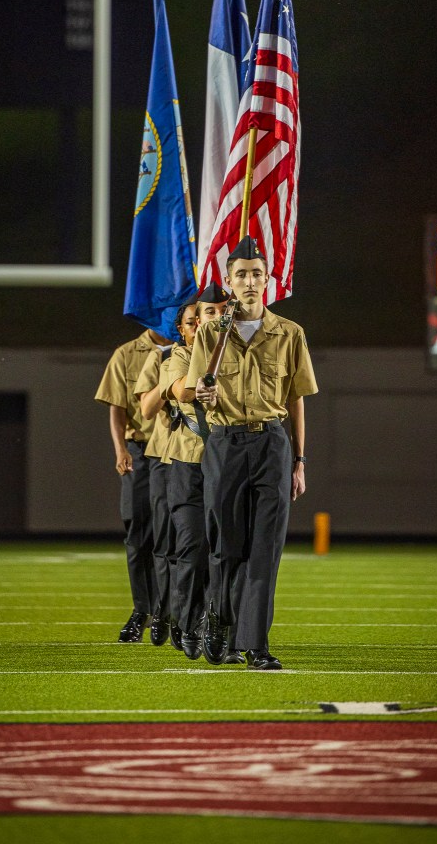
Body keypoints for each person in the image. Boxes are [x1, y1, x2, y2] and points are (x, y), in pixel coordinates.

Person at [184, 236, 318, 670]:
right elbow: (194, 388)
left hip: (272, 444)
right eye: (240, 274)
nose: (249, 281)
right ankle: (220, 623)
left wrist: (299, 460)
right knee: (227, 546)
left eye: (256, 274)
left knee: (266, 549)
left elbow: (297, 399)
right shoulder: (211, 332)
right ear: (229, 281)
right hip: (225, 442)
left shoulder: (290, 333)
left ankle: (255, 644)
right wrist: (202, 393)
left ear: (267, 280)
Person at [165, 284, 237, 661]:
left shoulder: (236, 351)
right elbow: (182, 390)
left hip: (227, 462)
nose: (203, 324)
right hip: (190, 462)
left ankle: (217, 625)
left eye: (215, 314)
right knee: (193, 548)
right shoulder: (180, 354)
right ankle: (188, 620)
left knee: (224, 551)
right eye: (196, 320)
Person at [94, 326, 172, 642]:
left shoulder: (190, 346)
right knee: (138, 532)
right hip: (140, 449)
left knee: (176, 533)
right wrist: (121, 450)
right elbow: (117, 407)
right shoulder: (126, 354)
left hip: (176, 450)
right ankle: (143, 609)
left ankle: (174, 612)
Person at [134, 341, 177, 647]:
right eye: (191, 322)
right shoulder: (162, 356)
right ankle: (164, 609)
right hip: (165, 455)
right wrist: (172, 380)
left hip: (208, 456)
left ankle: (194, 615)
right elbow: (147, 410)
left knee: (203, 543)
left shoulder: (222, 352)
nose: (199, 325)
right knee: (164, 539)